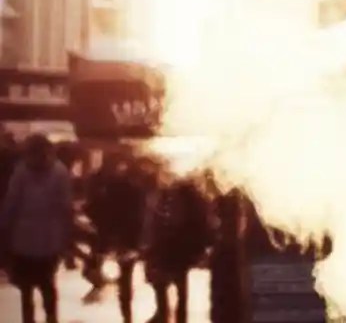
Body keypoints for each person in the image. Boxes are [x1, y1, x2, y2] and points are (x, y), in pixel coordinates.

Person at [0, 134, 75, 323]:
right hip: (39, 241)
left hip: (36, 241)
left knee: (37, 287)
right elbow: (65, 208)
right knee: (39, 286)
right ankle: (45, 319)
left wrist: (5, 229)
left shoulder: (27, 171)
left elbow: (12, 204)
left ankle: (41, 319)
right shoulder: (54, 172)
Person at [143, 174, 211, 323]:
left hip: (173, 251)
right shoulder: (169, 197)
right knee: (174, 291)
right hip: (170, 251)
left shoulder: (183, 197)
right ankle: (165, 317)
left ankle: (165, 317)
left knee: (173, 291)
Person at [88, 156, 149, 323]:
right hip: (129, 239)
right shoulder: (137, 191)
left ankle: (125, 312)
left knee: (121, 276)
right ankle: (126, 313)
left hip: (114, 237)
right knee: (125, 278)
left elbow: (101, 211)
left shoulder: (110, 188)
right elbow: (140, 217)